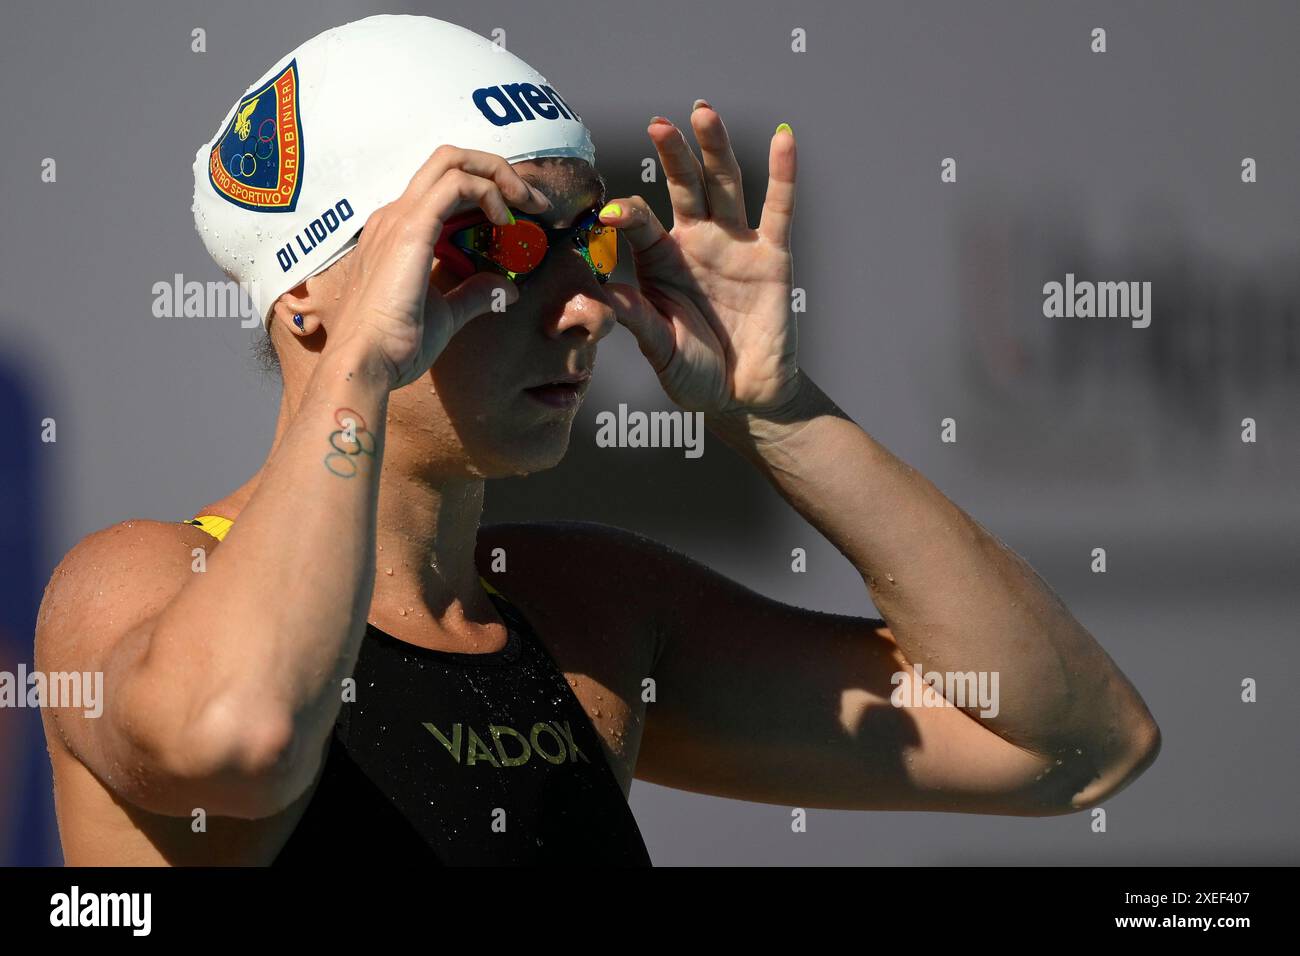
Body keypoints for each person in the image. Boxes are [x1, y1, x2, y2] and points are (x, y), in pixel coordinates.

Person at [34, 15, 1159, 866]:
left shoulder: (590, 613)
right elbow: (246, 735)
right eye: (492, 244)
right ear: (309, 297)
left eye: (581, 242)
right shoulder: (132, 586)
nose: (577, 305)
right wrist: (361, 371)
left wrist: (780, 412)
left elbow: (1072, 744)